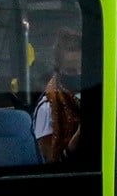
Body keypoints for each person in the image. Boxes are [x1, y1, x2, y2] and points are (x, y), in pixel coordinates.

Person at [32, 28, 86, 163]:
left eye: (82, 69)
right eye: (71, 70)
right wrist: (78, 138)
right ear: (58, 69)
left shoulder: (98, 98)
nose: (77, 74)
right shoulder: (47, 107)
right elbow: (51, 165)